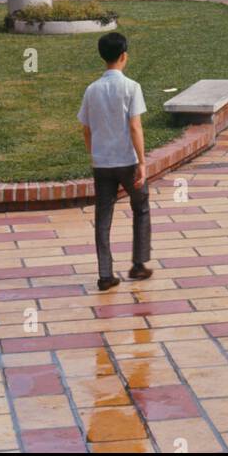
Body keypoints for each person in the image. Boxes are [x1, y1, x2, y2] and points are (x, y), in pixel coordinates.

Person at [78, 30, 152, 291]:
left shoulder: (91, 90)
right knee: (140, 206)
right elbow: (135, 127)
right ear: (124, 56)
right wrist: (142, 161)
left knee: (103, 216)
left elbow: (85, 129)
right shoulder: (131, 87)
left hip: (102, 163)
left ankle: (105, 274)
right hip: (128, 161)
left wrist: (93, 153)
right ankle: (139, 263)